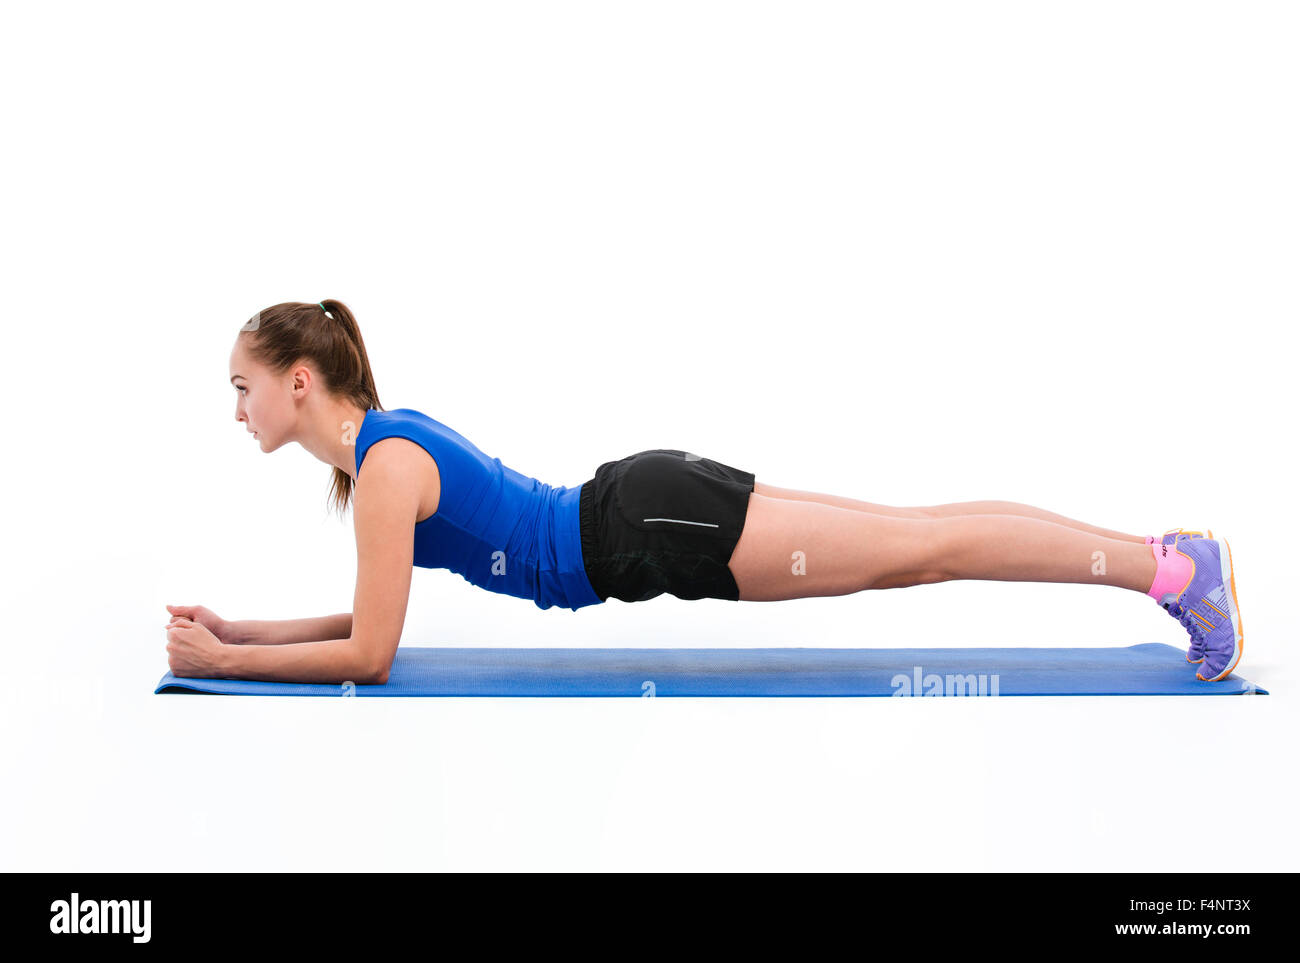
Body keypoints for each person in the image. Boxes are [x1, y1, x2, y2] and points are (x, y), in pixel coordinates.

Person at [164, 299, 1244, 685]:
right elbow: (373, 616)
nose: (239, 410)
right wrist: (239, 637)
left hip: (649, 527)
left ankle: (1171, 569)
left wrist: (228, 662)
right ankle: (1164, 557)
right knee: (921, 534)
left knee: (924, 548)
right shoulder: (380, 464)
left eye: (242, 388)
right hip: (646, 511)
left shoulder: (389, 468)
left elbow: (371, 657)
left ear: (299, 381)